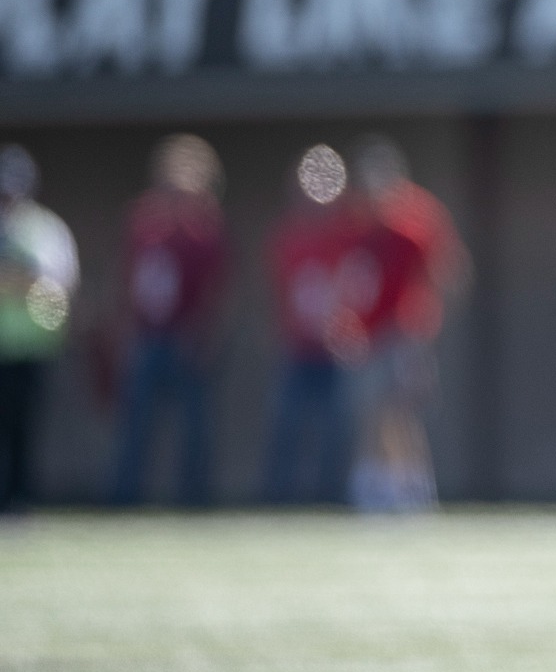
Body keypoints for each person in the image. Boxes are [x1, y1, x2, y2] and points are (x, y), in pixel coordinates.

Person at [108, 135, 231, 507]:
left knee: (195, 429)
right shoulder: (143, 220)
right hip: (147, 336)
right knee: (136, 425)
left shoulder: (206, 228)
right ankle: (123, 501)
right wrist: (124, 329)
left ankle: (194, 502)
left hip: (186, 339)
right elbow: (129, 279)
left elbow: (218, 289)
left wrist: (204, 336)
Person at [345, 137, 465, 513]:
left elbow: (449, 272)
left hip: (406, 332)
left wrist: (424, 326)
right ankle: (374, 487)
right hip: (370, 333)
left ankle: (413, 488)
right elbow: (351, 279)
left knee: (401, 411)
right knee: (371, 410)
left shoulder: (417, 218)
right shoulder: (359, 221)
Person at [261, 144, 366, 504]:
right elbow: (284, 293)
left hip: (339, 350)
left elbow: (356, 286)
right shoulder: (288, 236)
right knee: (286, 426)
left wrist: (345, 329)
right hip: (299, 349)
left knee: (338, 430)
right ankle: (278, 500)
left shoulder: (349, 234)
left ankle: (330, 500)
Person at [0, 145, 79, 514]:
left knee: (23, 430)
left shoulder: (44, 228)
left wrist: (17, 280)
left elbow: (53, 288)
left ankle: (21, 501)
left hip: (31, 347)